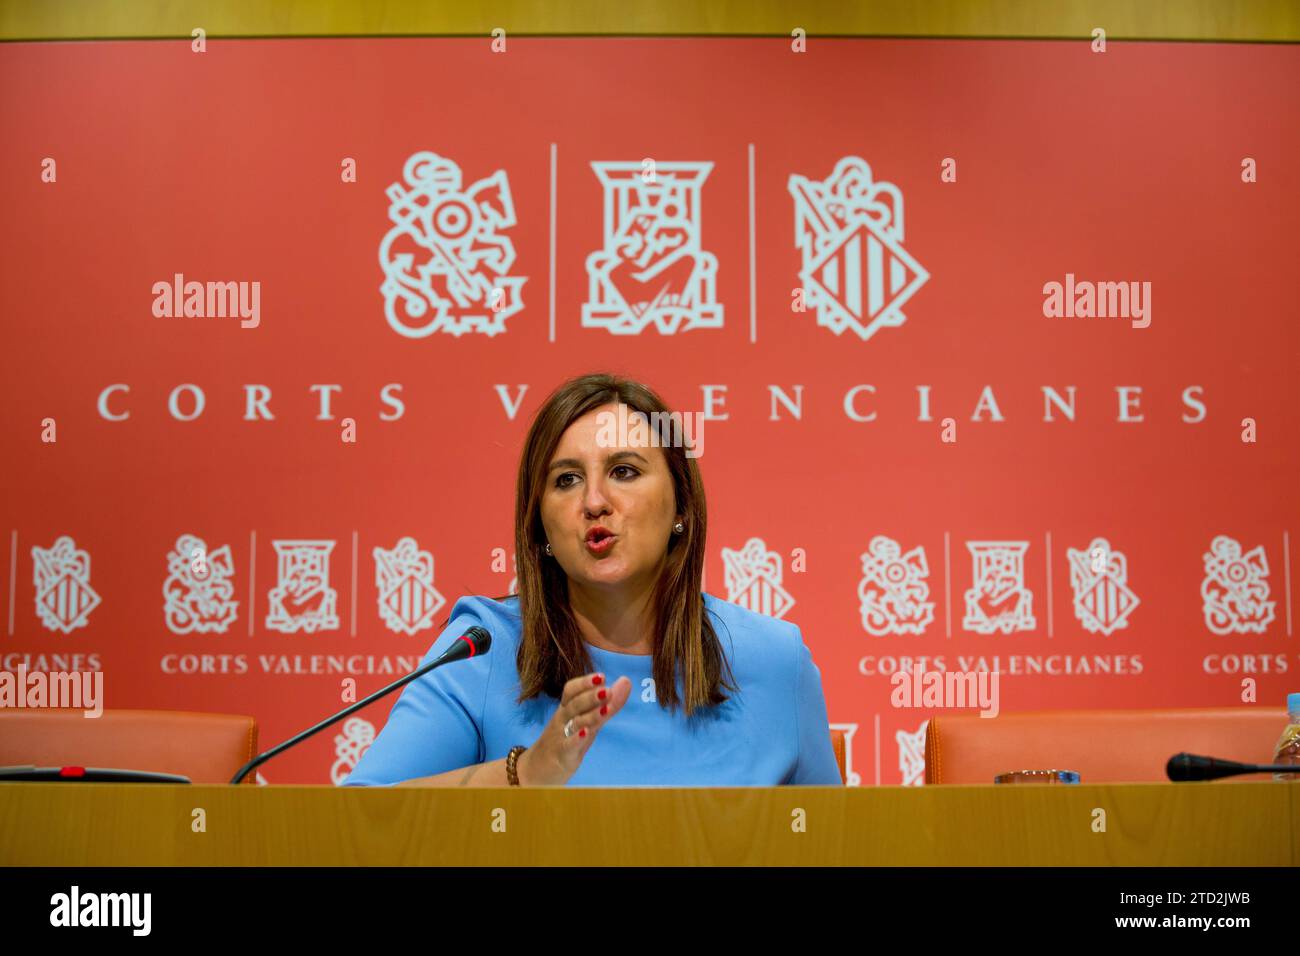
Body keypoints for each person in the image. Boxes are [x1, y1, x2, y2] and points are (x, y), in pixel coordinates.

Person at [342, 373, 841, 786]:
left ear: (681, 508)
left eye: (624, 471)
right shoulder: (484, 649)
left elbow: (833, 850)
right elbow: (359, 820)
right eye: (566, 479)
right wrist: (525, 775)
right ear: (540, 526)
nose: (594, 502)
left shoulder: (775, 660)